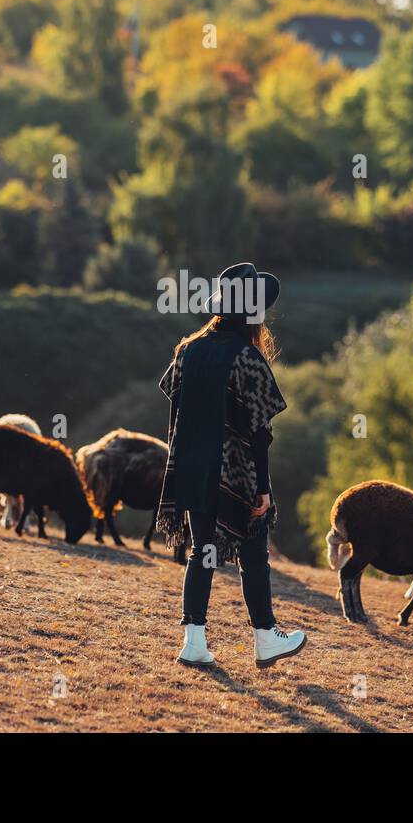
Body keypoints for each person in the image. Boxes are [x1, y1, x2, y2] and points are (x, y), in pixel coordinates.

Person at [155, 262, 306, 668]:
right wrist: (263, 488)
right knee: (254, 553)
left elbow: (175, 405)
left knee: (201, 552)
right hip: (235, 470)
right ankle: (266, 638)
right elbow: (260, 432)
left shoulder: (188, 349)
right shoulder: (247, 358)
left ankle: (194, 643)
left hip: (190, 468)